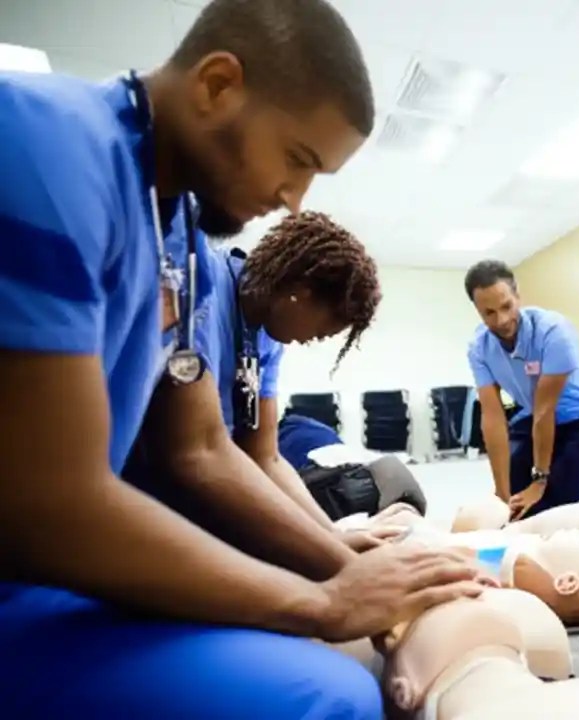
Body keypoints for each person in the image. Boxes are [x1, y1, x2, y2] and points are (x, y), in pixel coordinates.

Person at [0, 1, 483, 718]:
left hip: (67, 569)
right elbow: (45, 502)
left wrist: (353, 566)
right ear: (218, 85)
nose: (293, 200)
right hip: (31, 573)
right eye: (298, 159)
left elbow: (202, 448)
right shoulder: (46, 145)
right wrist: (323, 601)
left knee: (324, 665)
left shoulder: (182, 243)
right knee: (331, 694)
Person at [137, 210, 385, 552]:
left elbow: (265, 457)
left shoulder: (268, 337)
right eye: (321, 330)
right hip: (152, 492)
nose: (314, 340)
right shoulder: (203, 290)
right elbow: (199, 452)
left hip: (208, 484)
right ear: (300, 294)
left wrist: (332, 535)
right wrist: (335, 555)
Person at [464, 260, 579, 520]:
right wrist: (502, 494)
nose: (501, 320)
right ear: (477, 311)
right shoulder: (479, 347)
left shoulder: (554, 331)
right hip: (533, 418)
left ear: (517, 296)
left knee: (550, 502)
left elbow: (546, 409)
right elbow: (493, 418)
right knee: (514, 501)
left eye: (506, 306)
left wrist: (540, 481)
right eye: (489, 313)